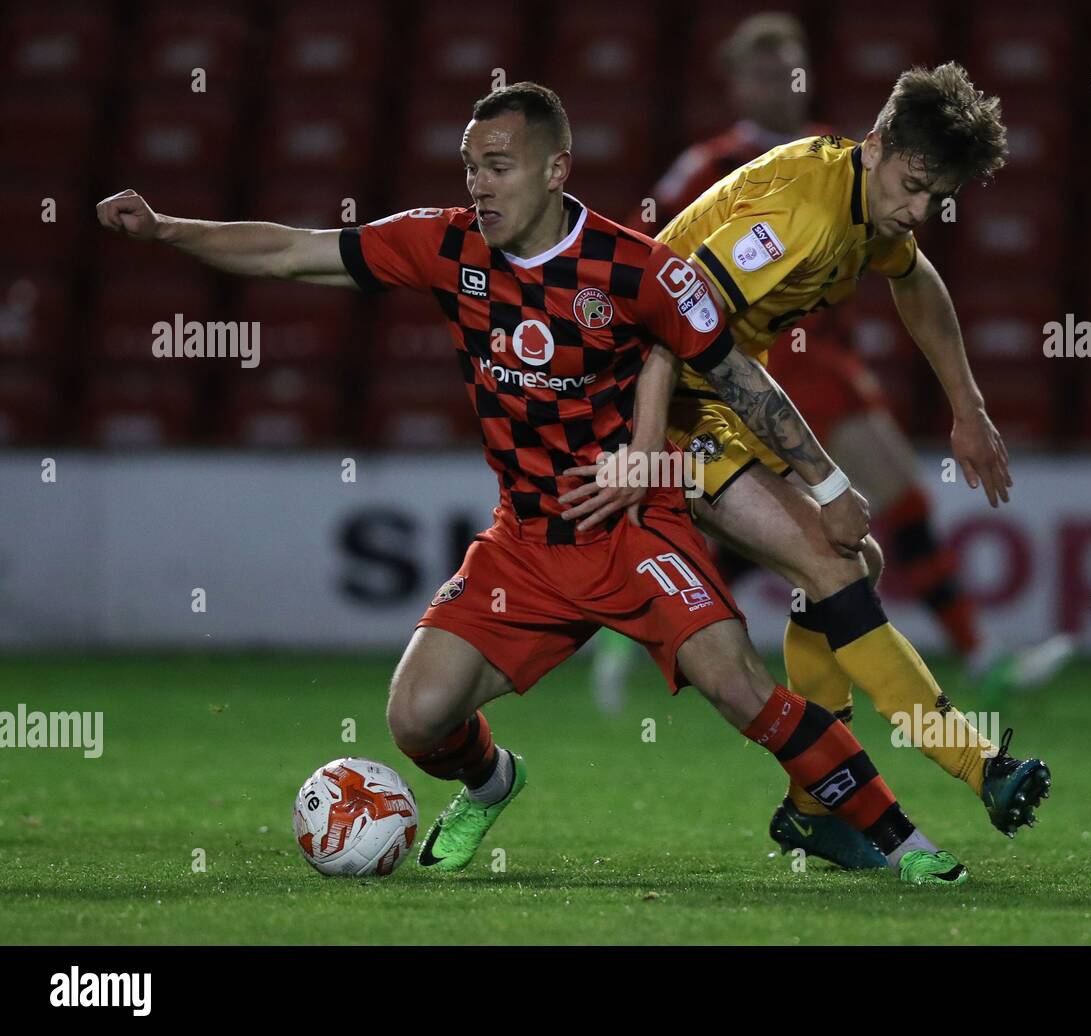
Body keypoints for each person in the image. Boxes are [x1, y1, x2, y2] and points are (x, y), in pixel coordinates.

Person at [96, 81, 969, 885]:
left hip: (634, 531)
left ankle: (908, 847)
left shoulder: (640, 271)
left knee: (739, 687)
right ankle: (492, 782)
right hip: (525, 544)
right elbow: (293, 252)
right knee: (414, 722)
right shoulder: (445, 246)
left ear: (556, 169)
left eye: (499, 167)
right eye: (472, 166)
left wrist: (824, 485)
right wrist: (169, 228)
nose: (480, 184)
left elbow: (744, 381)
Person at [576, 60, 1054, 872]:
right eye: (910, 186)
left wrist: (966, 406)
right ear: (876, 143)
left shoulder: (871, 205)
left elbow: (918, 282)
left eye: (933, 200)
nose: (914, 211)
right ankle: (978, 768)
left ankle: (814, 805)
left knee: (844, 562)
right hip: (634, 402)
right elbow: (666, 322)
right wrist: (641, 454)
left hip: (702, 398)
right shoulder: (802, 213)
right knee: (835, 561)